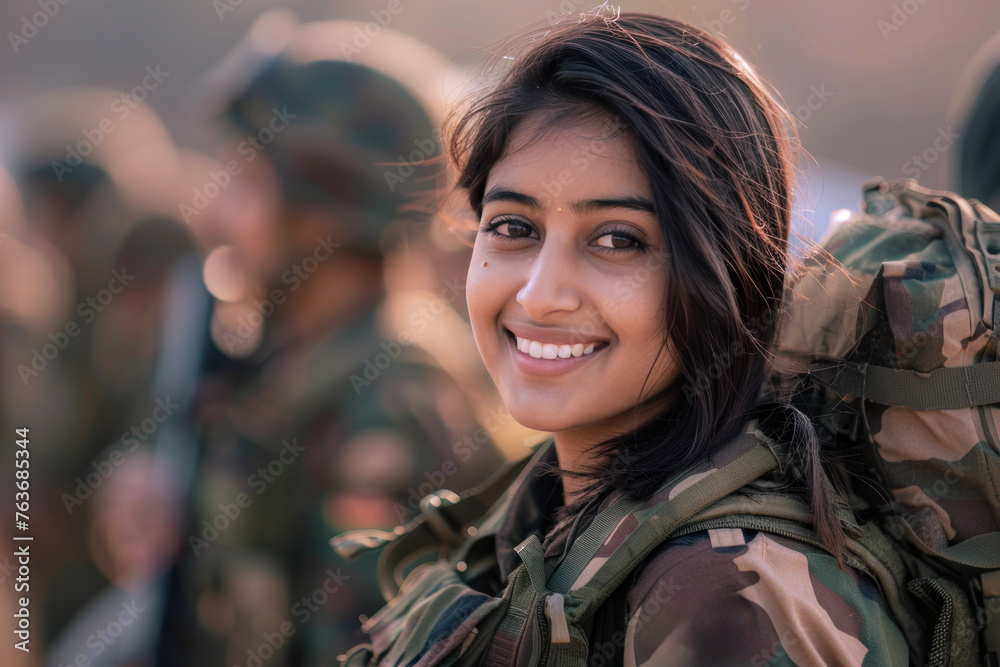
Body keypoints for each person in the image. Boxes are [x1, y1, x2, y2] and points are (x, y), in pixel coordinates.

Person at [340, 9, 908, 666]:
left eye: (618, 240)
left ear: (729, 276)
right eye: (513, 227)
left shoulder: (726, 594)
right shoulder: (550, 509)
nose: (538, 293)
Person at [153, 12, 513, 667]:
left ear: (319, 212)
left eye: (246, 182)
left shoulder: (392, 402)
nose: (218, 212)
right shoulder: (289, 361)